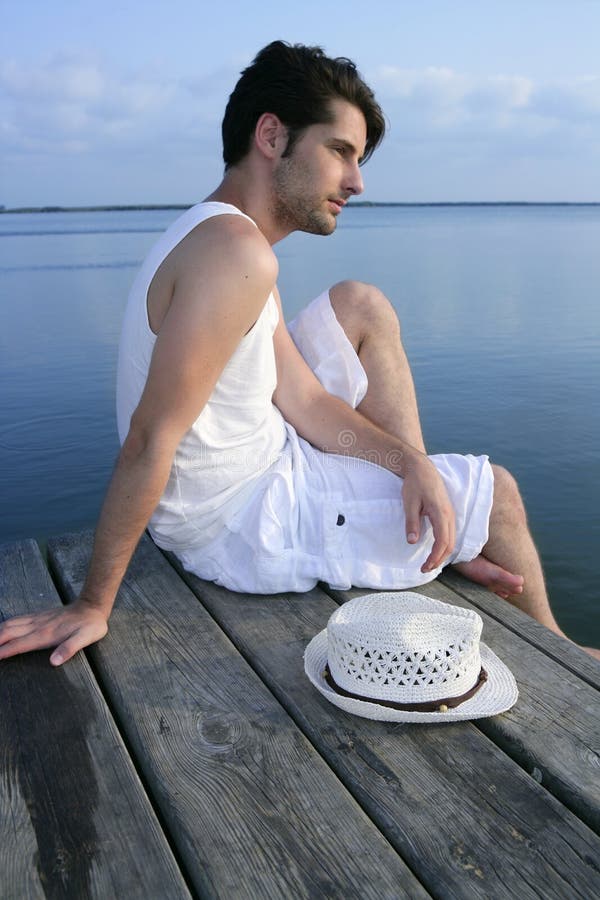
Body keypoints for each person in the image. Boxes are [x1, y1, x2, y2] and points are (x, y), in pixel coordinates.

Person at [1, 41, 597, 664]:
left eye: (359, 159)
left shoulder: (227, 232)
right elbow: (152, 438)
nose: (357, 181)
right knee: (497, 492)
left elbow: (304, 400)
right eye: (340, 151)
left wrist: (408, 466)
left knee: (360, 304)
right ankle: (567, 657)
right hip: (243, 522)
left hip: (262, 458)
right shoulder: (238, 256)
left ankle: (426, 525)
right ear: (271, 135)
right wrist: (93, 604)